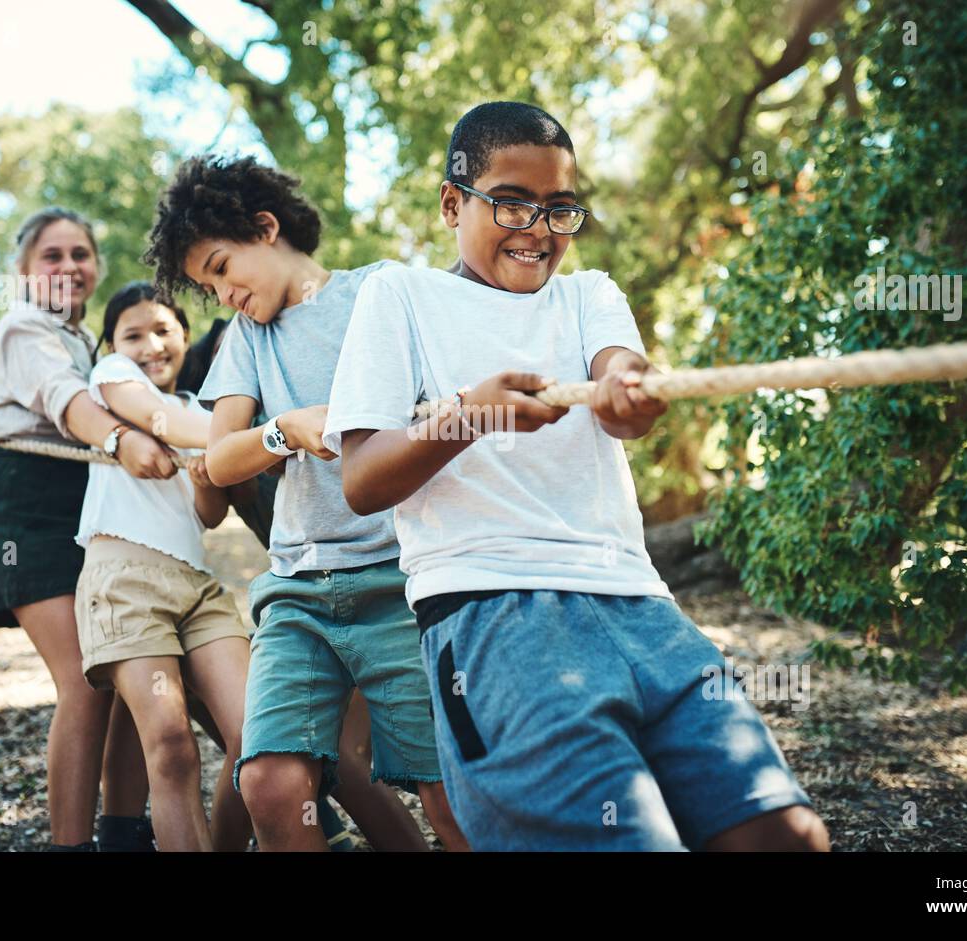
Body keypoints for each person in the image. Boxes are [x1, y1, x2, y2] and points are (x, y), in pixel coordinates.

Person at [324, 101, 832, 851]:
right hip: (494, 617)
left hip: (643, 609)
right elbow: (363, 479)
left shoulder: (589, 292)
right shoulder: (399, 297)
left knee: (786, 834)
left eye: (560, 209)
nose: (538, 229)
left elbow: (625, 393)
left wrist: (633, 385)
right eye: (513, 202)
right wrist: (472, 416)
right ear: (450, 202)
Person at [143, 155, 467, 851]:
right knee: (269, 782)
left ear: (267, 228)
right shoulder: (247, 340)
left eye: (223, 269)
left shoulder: (380, 291)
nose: (222, 294)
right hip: (297, 591)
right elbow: (221, 458)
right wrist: (283, 428)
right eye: (207, 286)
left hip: (399, 580)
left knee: (446, 789)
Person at [0, 207, 177, 851]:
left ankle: (121, 832)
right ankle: (69, 845)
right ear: (25, 272)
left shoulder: (93, 344)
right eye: (51, 256)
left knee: (118, 672)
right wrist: (119, 439)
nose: (67, 267)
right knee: (84, 682)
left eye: (79, 254)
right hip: (22, 507)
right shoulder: (23, 327)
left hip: (85, 510)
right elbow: (68, 403)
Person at [72, 282, 252, 850]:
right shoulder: (111, 381)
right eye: (134, 334)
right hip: (124, 580)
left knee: (258, 739)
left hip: (197, 588)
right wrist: (260, 436)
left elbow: (210, 515)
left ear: (185, 336)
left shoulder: (203, 412)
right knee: (172, 746)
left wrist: (207, 475)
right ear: (112, 345)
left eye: (163, 330)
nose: (151, 344)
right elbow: (157, 417)